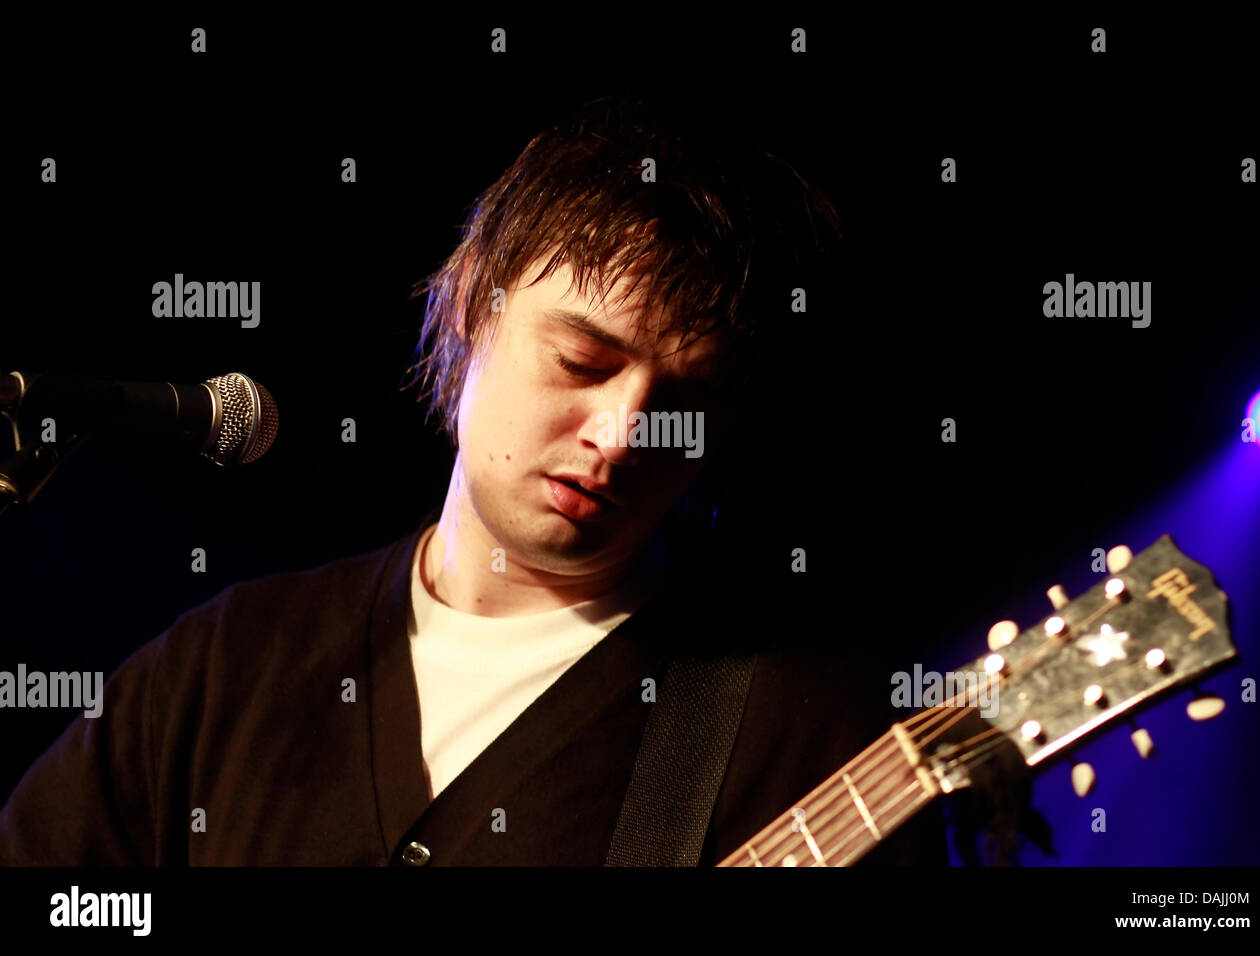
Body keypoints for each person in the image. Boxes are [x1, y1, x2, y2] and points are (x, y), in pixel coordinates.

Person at [0, 93, 950, 866]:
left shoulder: (811, 730)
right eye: (582, 362)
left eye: (681, 403)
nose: (620, 435)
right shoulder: (222, 669)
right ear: (468, 311)